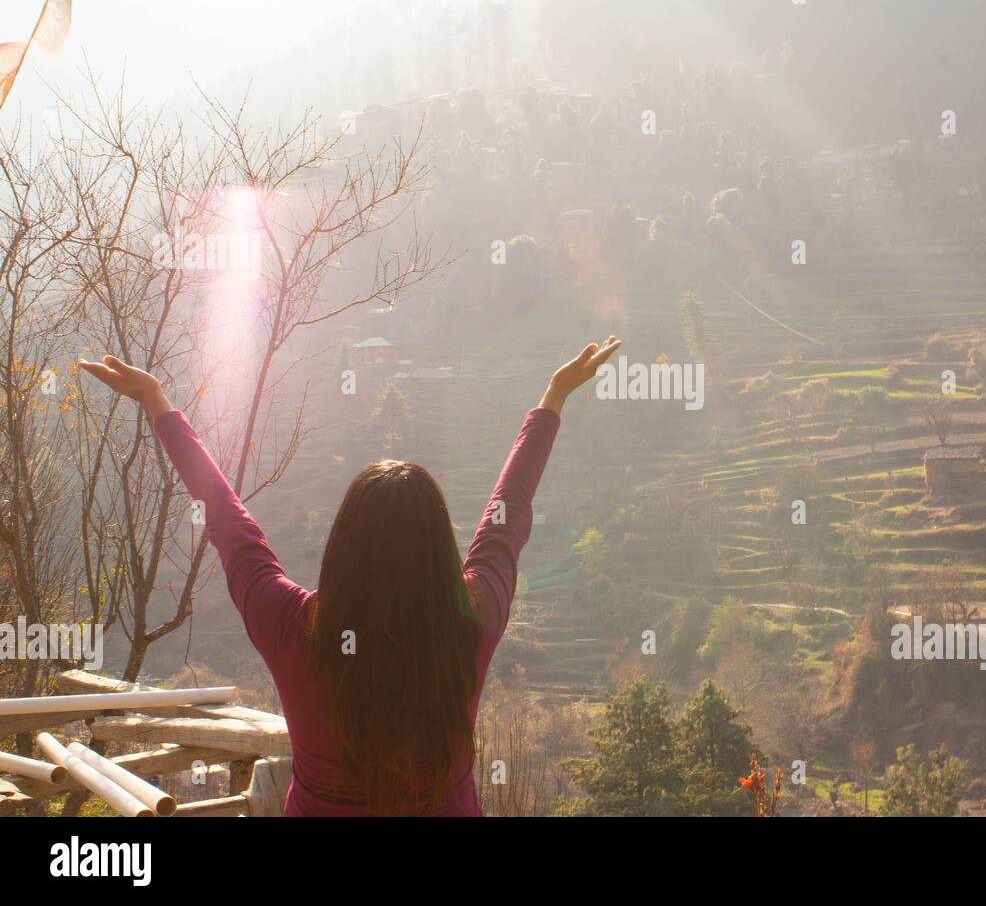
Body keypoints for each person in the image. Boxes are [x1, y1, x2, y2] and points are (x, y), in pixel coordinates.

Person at [77, 336, 622, 816]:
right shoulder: (471, 621)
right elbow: (505, 520)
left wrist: (158, 405)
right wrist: (552, 399)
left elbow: (229, 523)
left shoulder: (291, 625)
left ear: (343, 544)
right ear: (438, 549)